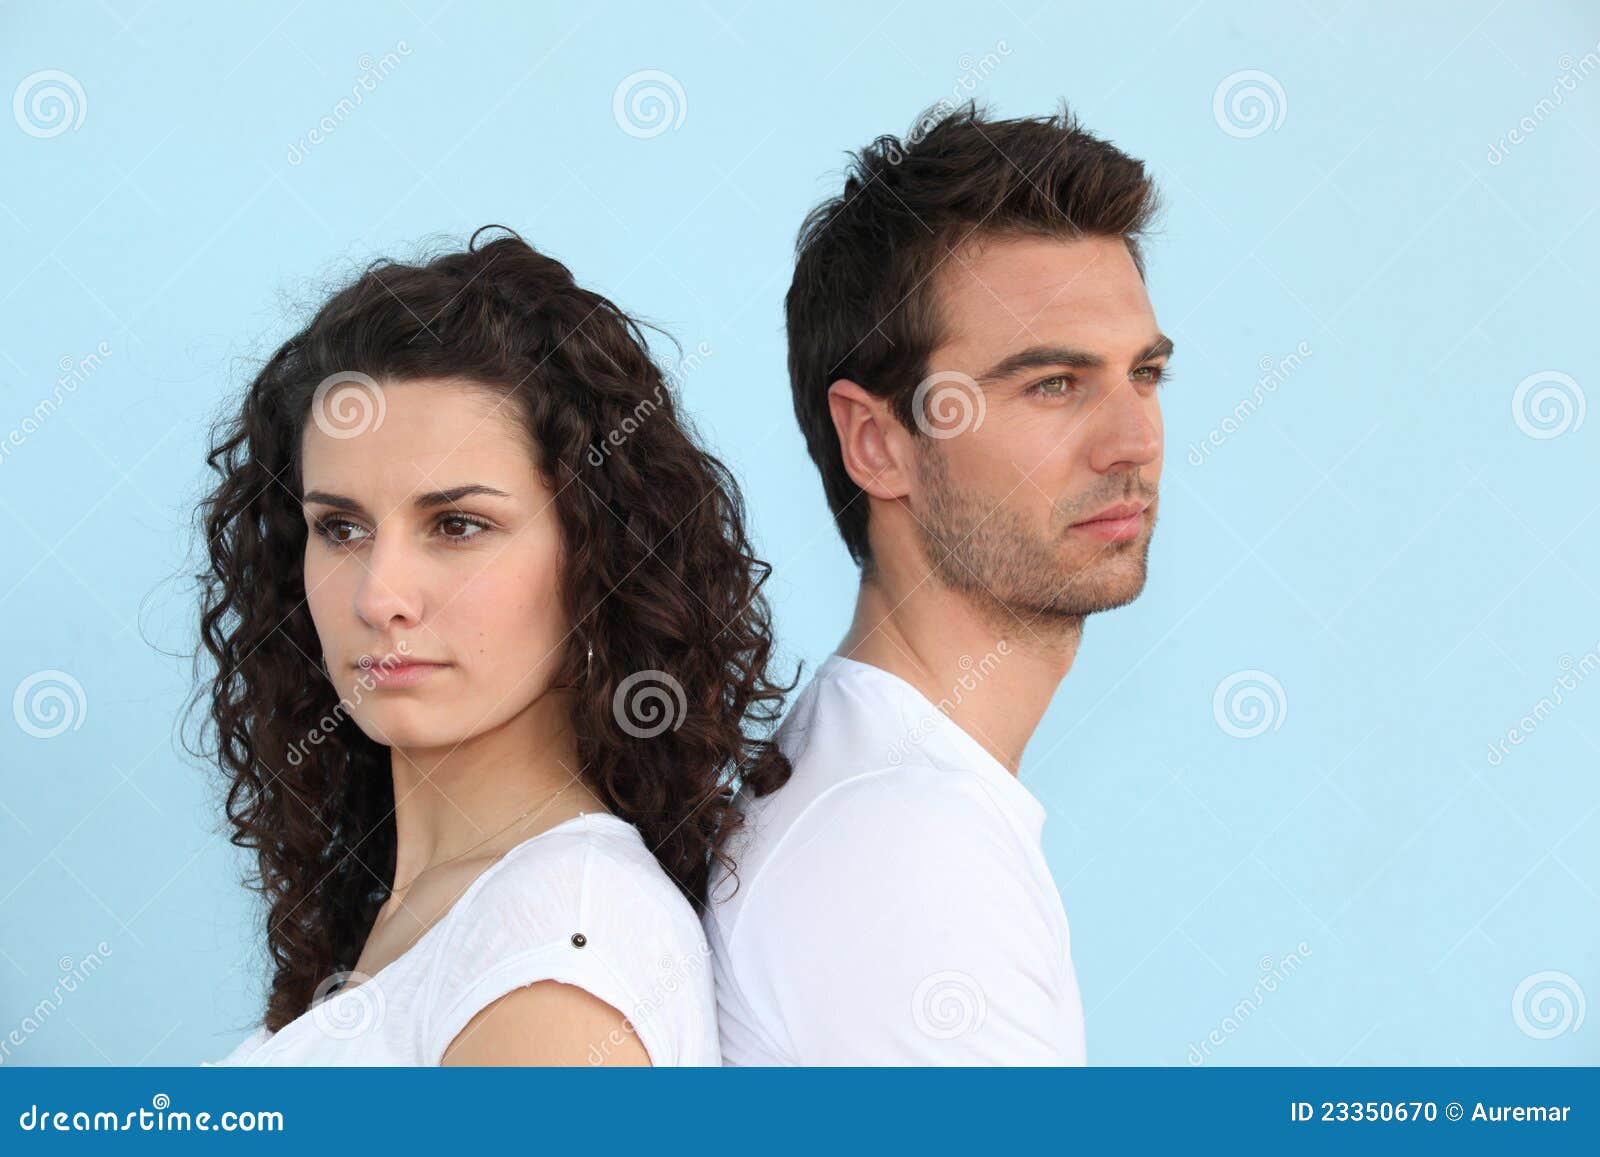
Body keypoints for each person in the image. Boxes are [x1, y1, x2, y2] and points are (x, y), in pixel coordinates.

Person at [192, 227, 791, 1066]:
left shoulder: (557, 955)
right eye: (341, 527)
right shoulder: (437, 907)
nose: (379, 596)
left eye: (459, 525)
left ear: (597, 555)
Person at [704, 102, 1170, 1064]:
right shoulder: (905, 853)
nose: (1135, 442)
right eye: (1053, 383)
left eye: (1146, 375)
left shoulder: (892, 797)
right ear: (878, 441)